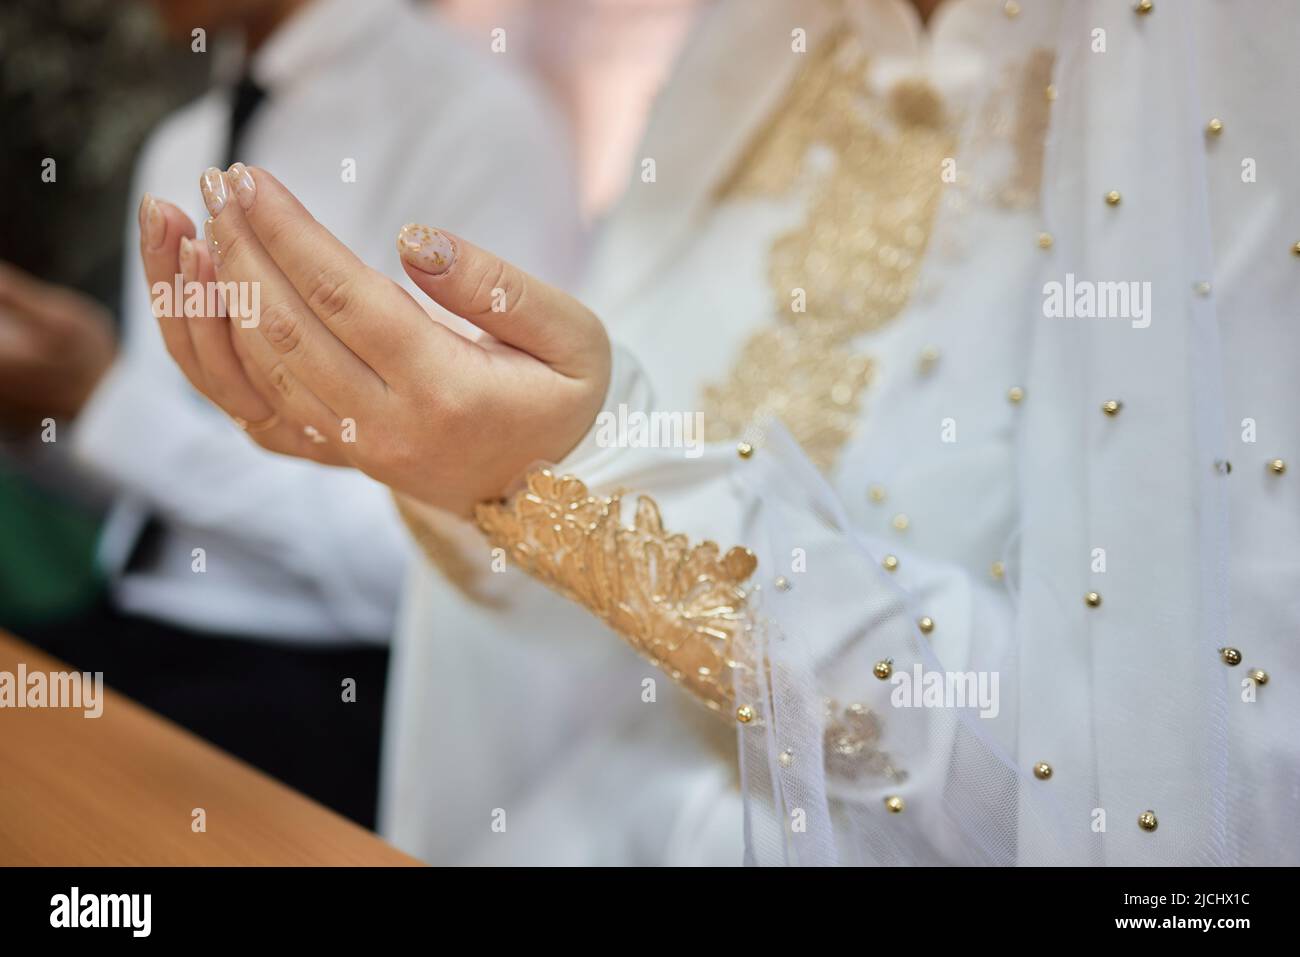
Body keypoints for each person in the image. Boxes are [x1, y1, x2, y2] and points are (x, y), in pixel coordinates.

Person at [139, 0, 1299, 864]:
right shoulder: (767, 45)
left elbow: (1146, 808)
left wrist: (583, 481)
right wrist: (470, 476)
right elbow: (568, 621)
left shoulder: (1215, 84)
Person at [4, 0, 579, 828]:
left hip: (316, 681)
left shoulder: (479, 126)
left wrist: (109, 407)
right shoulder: (182, 143)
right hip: (131, 627)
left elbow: (435, 558)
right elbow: (162, 497)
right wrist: (49, 413)